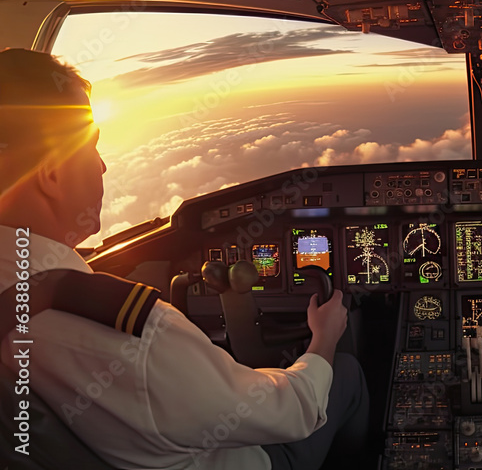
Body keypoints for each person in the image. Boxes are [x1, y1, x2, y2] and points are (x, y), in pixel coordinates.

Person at [0, 48, 368, 470]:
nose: (101, 166)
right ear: (50, 174)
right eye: (90, 147)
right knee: (344, 373)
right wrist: (323, 338)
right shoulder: (133, 336)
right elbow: (295, 412)